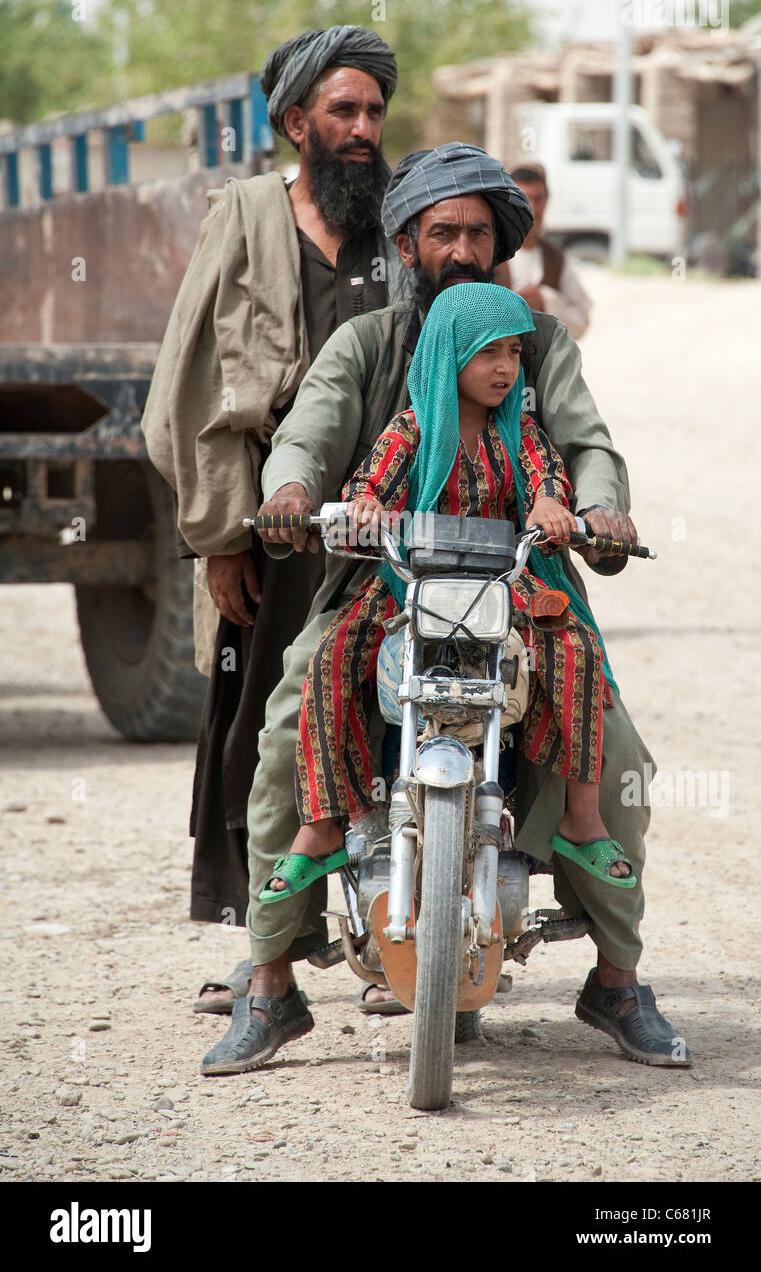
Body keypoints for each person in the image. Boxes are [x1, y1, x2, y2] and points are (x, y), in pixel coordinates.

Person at [200, 141, 690, 1076]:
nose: (462, 250)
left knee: (619, 754)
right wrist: (294, 492)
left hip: (519, 593)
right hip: (384, 591)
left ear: (503, 244)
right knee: (284, 733)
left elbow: (585, 445)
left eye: (478, 234)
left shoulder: (536, 344)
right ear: (405, 243)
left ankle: (617, 981)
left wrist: (594, 510)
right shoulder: (368, 343)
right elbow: (309, 433)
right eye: (441, 233)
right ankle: (270, 983)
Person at [142, 25, 402, 1014]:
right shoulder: (246, 216)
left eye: (374, 110)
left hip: (387, 529)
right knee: (265, 731)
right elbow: (188, 384)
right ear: (296, 122)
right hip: (272, 526)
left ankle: (404, 946)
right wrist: (219, 539)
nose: (362, 128)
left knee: (398, 713)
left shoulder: (403, 223)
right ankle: (269, 953)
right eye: (343, 110)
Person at [260, 282, 634, 903]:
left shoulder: (522, 435)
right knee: (330, 658)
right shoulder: (409, 432)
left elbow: (547, 481)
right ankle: (321, 827)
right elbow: (369, 487)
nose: (505, 369)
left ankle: (582, 817)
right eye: (488, 353)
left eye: (513, 353)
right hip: (411, 586)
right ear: (448, 354)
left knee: (577, 650)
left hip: (503, 584)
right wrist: (365, 508)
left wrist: (551, 507)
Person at [494, 163, 592, 340]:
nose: (531, 207)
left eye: (538, 199)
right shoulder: (491, 255)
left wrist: (546, 301)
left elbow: (581, 322)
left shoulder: (556, 258)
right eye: (523, 198)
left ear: (546, 202)